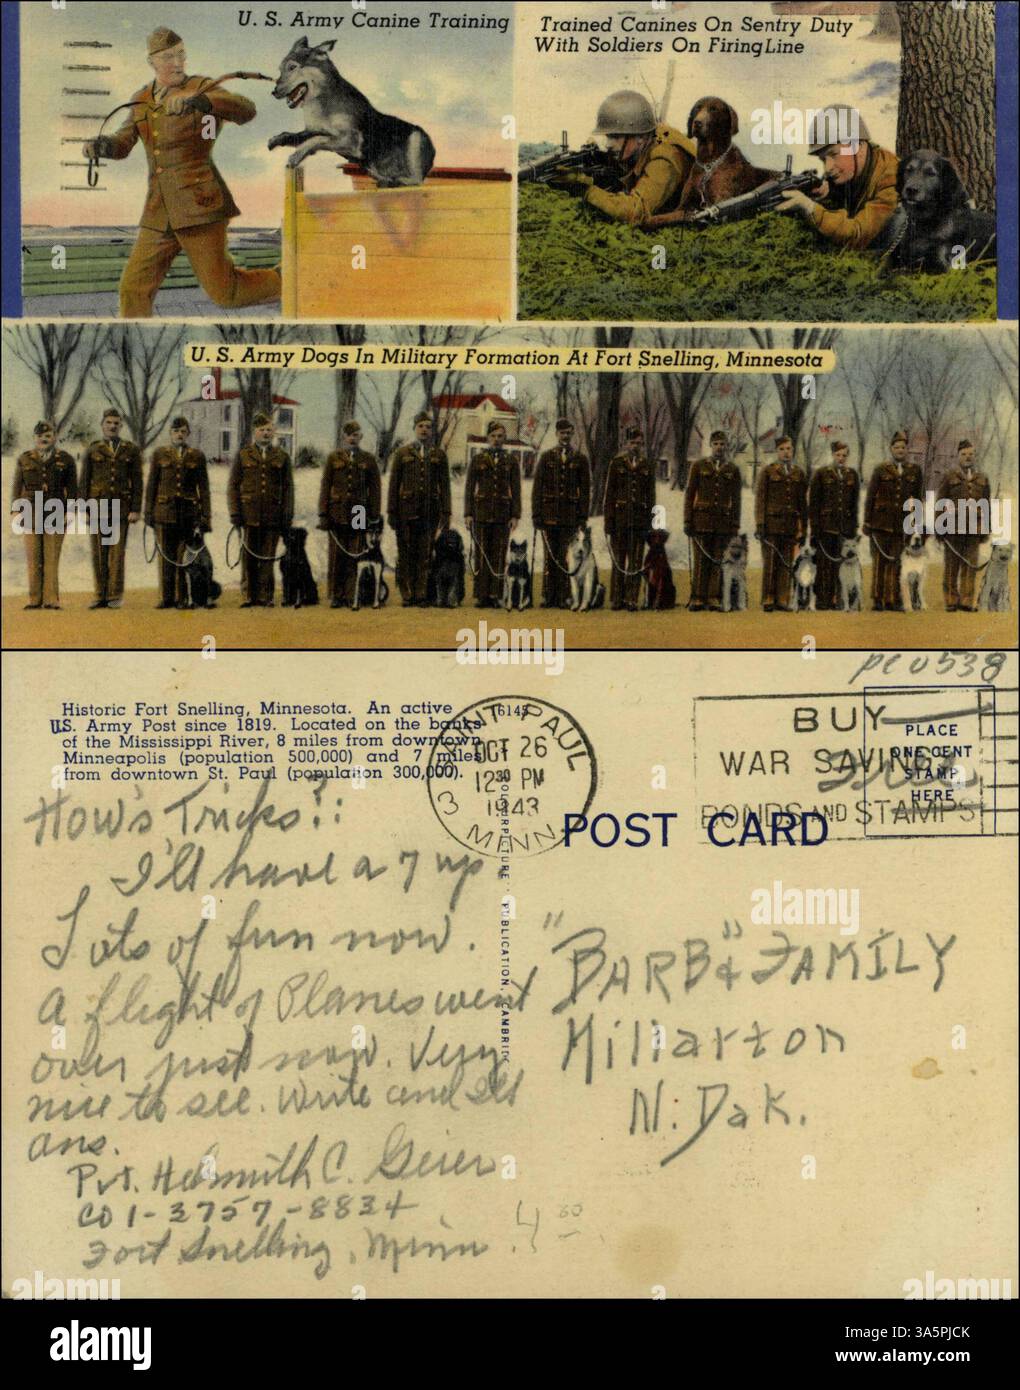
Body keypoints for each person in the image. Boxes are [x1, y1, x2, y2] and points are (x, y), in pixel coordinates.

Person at [83, 27, 281, 317]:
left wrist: (204, 102)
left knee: (228, 294)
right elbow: (124, 142)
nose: (177, 63)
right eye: (168, 57)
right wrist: (103, 146)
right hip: (158, 213)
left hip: (199, 208)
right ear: (152, 62)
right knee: (132, 290)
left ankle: (284, 277)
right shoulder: (141, 98)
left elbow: (245, 110)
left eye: (181, 55)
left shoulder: (202, 87)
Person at [550, 90, 694, 226]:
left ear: (641, 137)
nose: (608, 144)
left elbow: (636, 212)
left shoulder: (665, 158)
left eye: (616, 137)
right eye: (608, 136)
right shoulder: (642, 143)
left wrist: (585, 190)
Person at [777, 105, 898, 250]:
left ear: (858, 146)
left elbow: (858, 234)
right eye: (823, 160)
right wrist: (827, 195)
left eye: (834, 154)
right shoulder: (849, 172)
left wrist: (810, 208)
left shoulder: (893, 178)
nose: (827, 168)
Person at [144, 415, 211, 608]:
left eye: (183, 431)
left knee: (185, 558)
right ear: (170, 433)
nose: (179, 435)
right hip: (164, 513)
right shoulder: (159, 454)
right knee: (165, 558)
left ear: (188, 434)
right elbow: (151, 486)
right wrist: (148, 513)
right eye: (176, 431)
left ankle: (182, 598)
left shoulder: (197, 456)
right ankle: (166, 598)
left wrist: (205, 517)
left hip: (189, 515)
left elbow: (204, 489)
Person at [227, 412, 293, 607]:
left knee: (267, 556)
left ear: (273, 432)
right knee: (248, 557)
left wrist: (287, 515)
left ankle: (266, 596)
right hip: (248, 515)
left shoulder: (282, 456)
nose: (266, 433)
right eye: (262, 430)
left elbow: (288, 488)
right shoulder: (243, 455)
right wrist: (235, 513)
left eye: (269, 430)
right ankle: (248, 595)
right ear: (254, 432)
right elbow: (233, 486)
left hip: (273, 515)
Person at [80, 408, 143, 610]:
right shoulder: (93, 449)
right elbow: (84, 482)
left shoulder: (130, 450)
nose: (112, 426)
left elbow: (137, 482)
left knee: (117, 554)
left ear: (121, 426)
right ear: (102, 425)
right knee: (98, 553)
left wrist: (135, 509)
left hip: (121, 508)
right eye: (109, 422)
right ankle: (100, 594)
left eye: (116, 423)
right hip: (97, 507)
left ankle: (115, 595)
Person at [10, 421, 77, 611]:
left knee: (51, 558)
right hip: (30, 513)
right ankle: (34, 599)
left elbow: (72, 489)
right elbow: (17, 487)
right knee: (33, 558)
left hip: (55, 514)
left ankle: (51, 600)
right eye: (40, 436)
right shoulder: (25, 459)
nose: (44, 439)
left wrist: (70, 512)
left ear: (54, 437)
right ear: (34, 438)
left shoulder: (66, 459)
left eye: (48, 436)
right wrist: (15, 510)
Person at [387, 413, 451, 607]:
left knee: (425, 554)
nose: (424, 429)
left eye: (428, 426)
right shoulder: (402, 453)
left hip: (430, 513)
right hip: (405, 513)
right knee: (406, 553)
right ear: (414, 428)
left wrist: (446, 513)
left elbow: (445, 487)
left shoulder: (438, 455)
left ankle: (421, 594)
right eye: (421, 426)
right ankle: (407, 594)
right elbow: (393, 485)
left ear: (432, 431)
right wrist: (391, 512)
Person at [318, 420, 382, 608]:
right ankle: (336, 595)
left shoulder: (368, 460)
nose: (353, 439)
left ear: (360, 437)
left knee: (355, 553)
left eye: (357, 435)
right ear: (344, 437)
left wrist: (374, 516)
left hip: (359, 511)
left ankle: (351, 593)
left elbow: (375, 490)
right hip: (336, 510)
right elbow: (325, 486)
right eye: (350, 435)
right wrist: (323, 513)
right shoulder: (333, 458)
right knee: (336, 554)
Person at [532, 419, 591, 608]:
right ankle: (548, 595)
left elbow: (585, 491)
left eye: (568, 433)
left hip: (570, 517)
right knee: (550, 557)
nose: (565, 436)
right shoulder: (546, 457)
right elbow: (537, 489)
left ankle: (565, 596)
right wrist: (537, 515)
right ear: (556, 434)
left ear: (572, 434)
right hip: (548, 516)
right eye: (562, 433)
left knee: (567, 557)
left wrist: (582, 517)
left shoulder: (580, 459)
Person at [863, 431, 924, 611]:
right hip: (880, 523)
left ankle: (893, 599)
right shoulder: (880, 469)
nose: (900, 450)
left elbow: (918, 500)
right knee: (879, 562)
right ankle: (878, 600)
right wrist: (867, 522)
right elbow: (870, 496)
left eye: (903, 447)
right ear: (891, 449)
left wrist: (916, 526)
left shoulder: (915, 471)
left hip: (901, 525)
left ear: (907, 450)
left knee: (897, 562)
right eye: (896, 447)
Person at [464, 421, 522, 609]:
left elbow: (516, 490)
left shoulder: (511, 461)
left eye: (500, 436)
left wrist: (515, 515)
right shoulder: (478, 459)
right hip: (481, 513)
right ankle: (482, 595)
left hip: (502, 515)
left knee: (498, 554)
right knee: (481, 555)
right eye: (493, 436)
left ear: (505, 438)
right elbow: (469, 488)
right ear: (488, 438)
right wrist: (468, 513)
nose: (496, 440)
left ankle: (496, 594)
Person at [683, 430, 742, 612]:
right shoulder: (698, 466)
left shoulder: (733, 470)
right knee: (701, 560)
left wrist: (734, 524)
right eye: (716, 444)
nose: (719, 448)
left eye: (722, 444)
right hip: (701, 521)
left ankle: (714, 597)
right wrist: (687, 520)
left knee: (717, 560)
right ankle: (698, 597)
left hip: (723, 524)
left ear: (727, 446)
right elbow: (689, 494)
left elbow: (736, 500)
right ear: (710, 445)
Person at [603, 425, 656, 611]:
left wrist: (651, 523)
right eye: (632, 442)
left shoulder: (648, 466)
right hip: (619, 520)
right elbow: (609, 495)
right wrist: (608, 522)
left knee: (635, 561)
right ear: (626, 443)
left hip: (640, 521)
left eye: (639, 444)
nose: (636, 446)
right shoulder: (616, 464)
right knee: (618, 560)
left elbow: (651, 497)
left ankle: (631, 598)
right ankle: (617, 598)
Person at [936, 439, 991, 612]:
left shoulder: (982, 478)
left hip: (974, 530)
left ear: (975, 456)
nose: (968, 457)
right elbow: (940, 503)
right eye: (964, 454)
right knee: (951, 566)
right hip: (952, 529)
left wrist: (985, 528)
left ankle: (967, 601)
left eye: (971, 454)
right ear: (958, 456)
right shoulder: (949, 476)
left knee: (970, 566)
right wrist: (940, 528)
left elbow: (986, 505)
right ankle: (951, 600)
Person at [755, 435, 807, 612]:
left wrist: (804, 528)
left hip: (790, 526)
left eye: (789, 449)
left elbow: (802, 504)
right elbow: (760, 500)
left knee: (787, 563)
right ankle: (768, 599)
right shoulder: (768, 472)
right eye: (782, 449)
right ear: (777, 451)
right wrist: (760, 524)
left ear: (793, 451)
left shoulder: (799, 473)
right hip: (771, 525)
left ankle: (783, 599)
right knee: (770, 563)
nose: (786, 452)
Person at [809, 439, 860, 610]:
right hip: (825, 528)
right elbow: (814, 504)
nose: (841, 458)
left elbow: (854, 504)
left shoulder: (852, 474)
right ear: (832, 455)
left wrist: (853, 528)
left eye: (844, 455)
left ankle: (840, 601)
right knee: (825, 566)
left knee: (843, 566)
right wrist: (815, 529)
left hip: (844, 530)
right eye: (838, 455)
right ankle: (823, 601)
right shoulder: (821, 474)